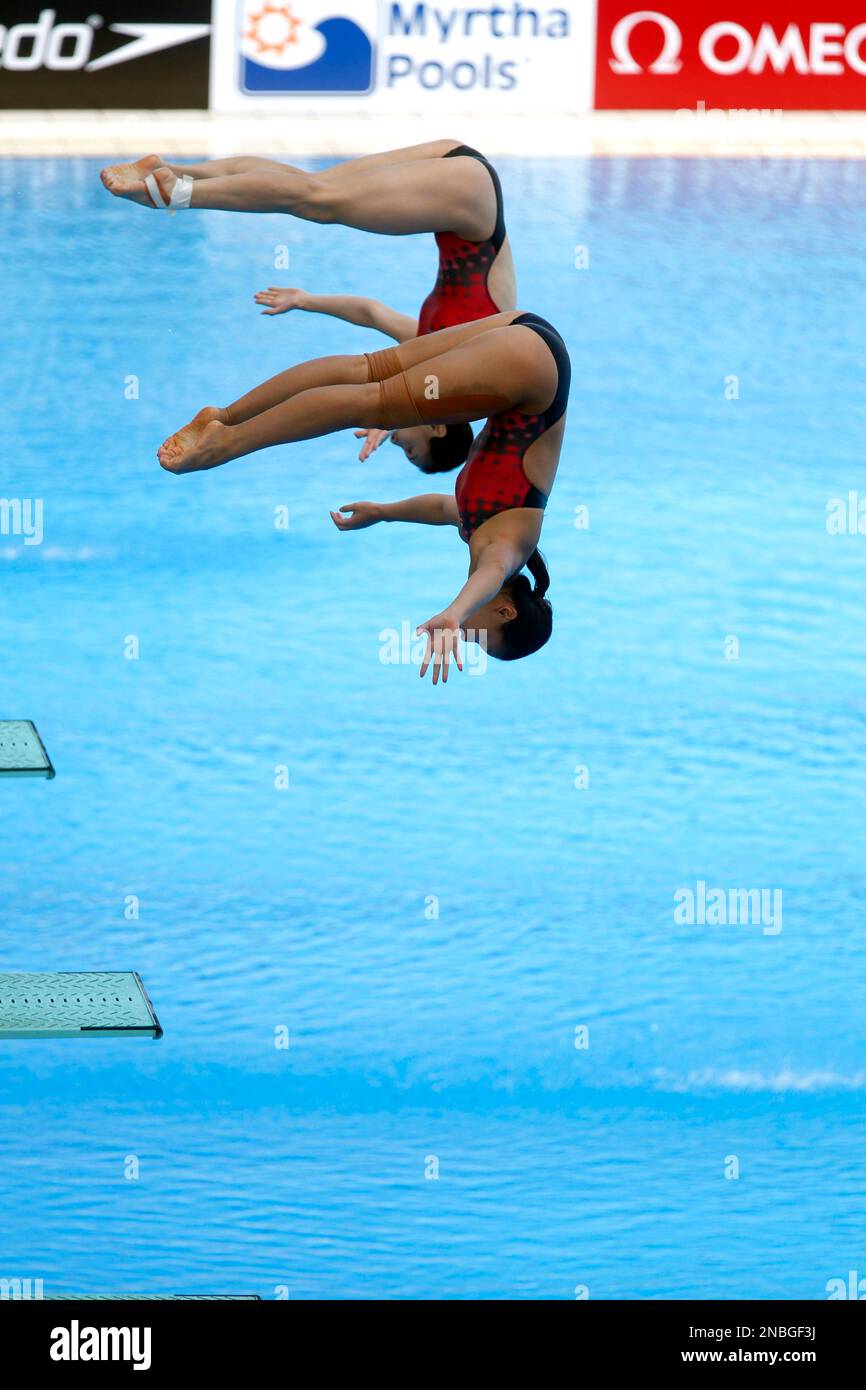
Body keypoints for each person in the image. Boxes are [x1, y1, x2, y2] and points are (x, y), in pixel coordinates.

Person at [156, 310, 570, 681]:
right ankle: (225, 445)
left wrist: (383, 512)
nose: (466, 638)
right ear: (505, 612)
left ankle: (226, 416)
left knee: (369, 369)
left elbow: (444, 509)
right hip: (531, 372)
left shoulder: (486, 531)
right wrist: (453, 614)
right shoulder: (506, 551)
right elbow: (489, 576)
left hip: (531, 341)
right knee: (367, 403)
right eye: (480, 640)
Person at [101, 140, 515, 469]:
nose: (398, 443)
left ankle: (171, 172)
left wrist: (306, 299)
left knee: (306, 185)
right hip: (470, 200)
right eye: (410, 450)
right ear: (438, 427)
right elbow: (354, 374)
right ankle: (179, 193)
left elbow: (371, 314)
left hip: (460, 173)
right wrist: (387, 408)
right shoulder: (471, 362)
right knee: (316, 200)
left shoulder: (437, 349)